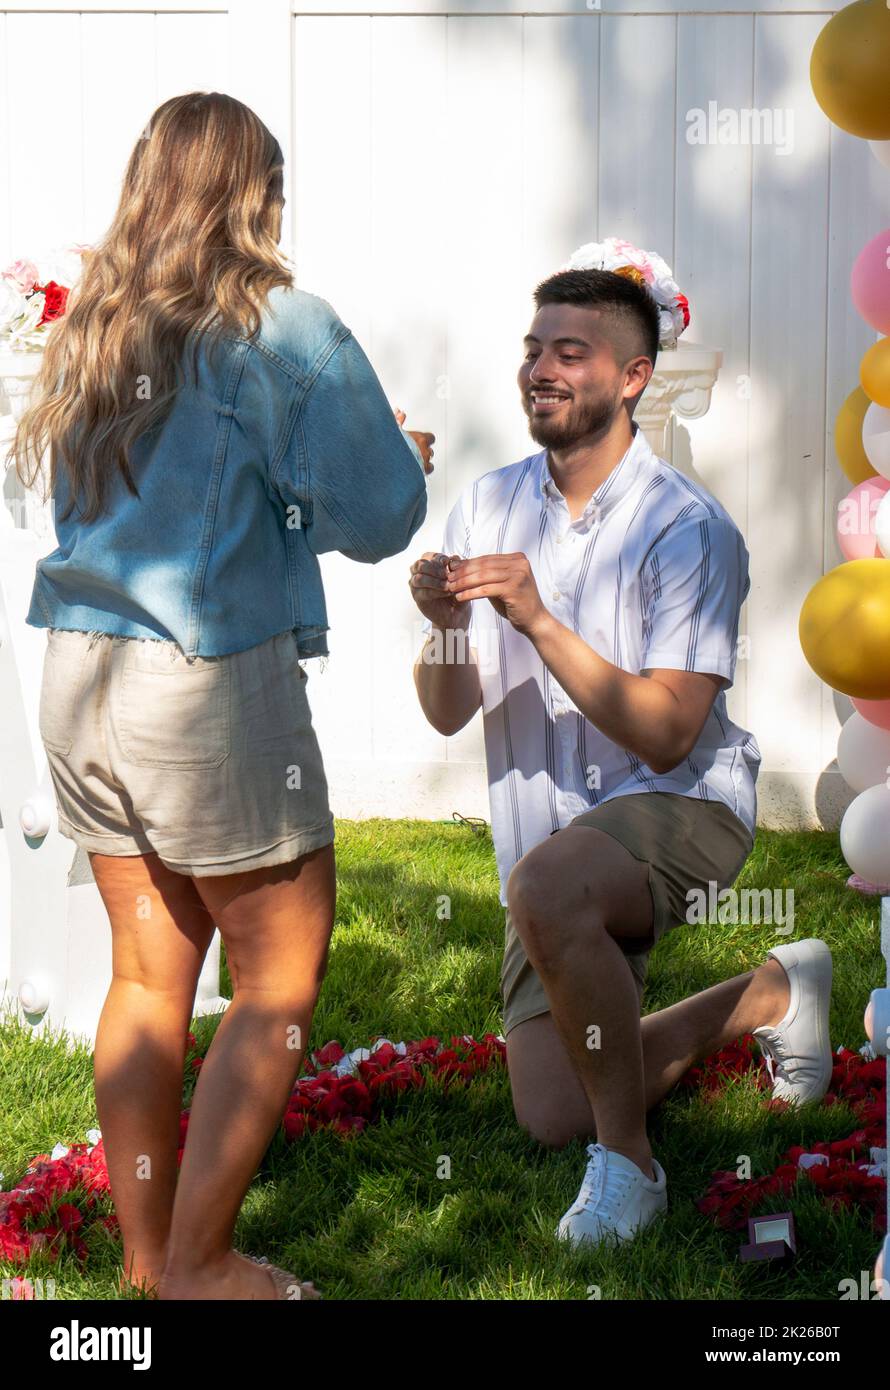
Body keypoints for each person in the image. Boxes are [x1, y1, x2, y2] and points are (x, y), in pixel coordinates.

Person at [9, 91, 432, 1299]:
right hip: (202, 684)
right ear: (258, 194)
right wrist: (392, 451)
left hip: (80, 672)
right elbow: (382, 512)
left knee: (147, 976)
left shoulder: (94, 323)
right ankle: (203, 1263)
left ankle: (152, 1260)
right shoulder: (281, 328)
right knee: (279, 974)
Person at [409, 265, 833, 1247]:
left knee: (555, 891)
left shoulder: (688, 528)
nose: (541, 369)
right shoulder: (484, 505)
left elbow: (667, 729)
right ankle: (772, 990)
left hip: (683, 797)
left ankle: (631, 1170)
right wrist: (441, 629)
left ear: (634, 374)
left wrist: (534, 616)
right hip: (547, 848)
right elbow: (443, 713)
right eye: (532, 350)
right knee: (551, 1110)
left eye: (571, 352)